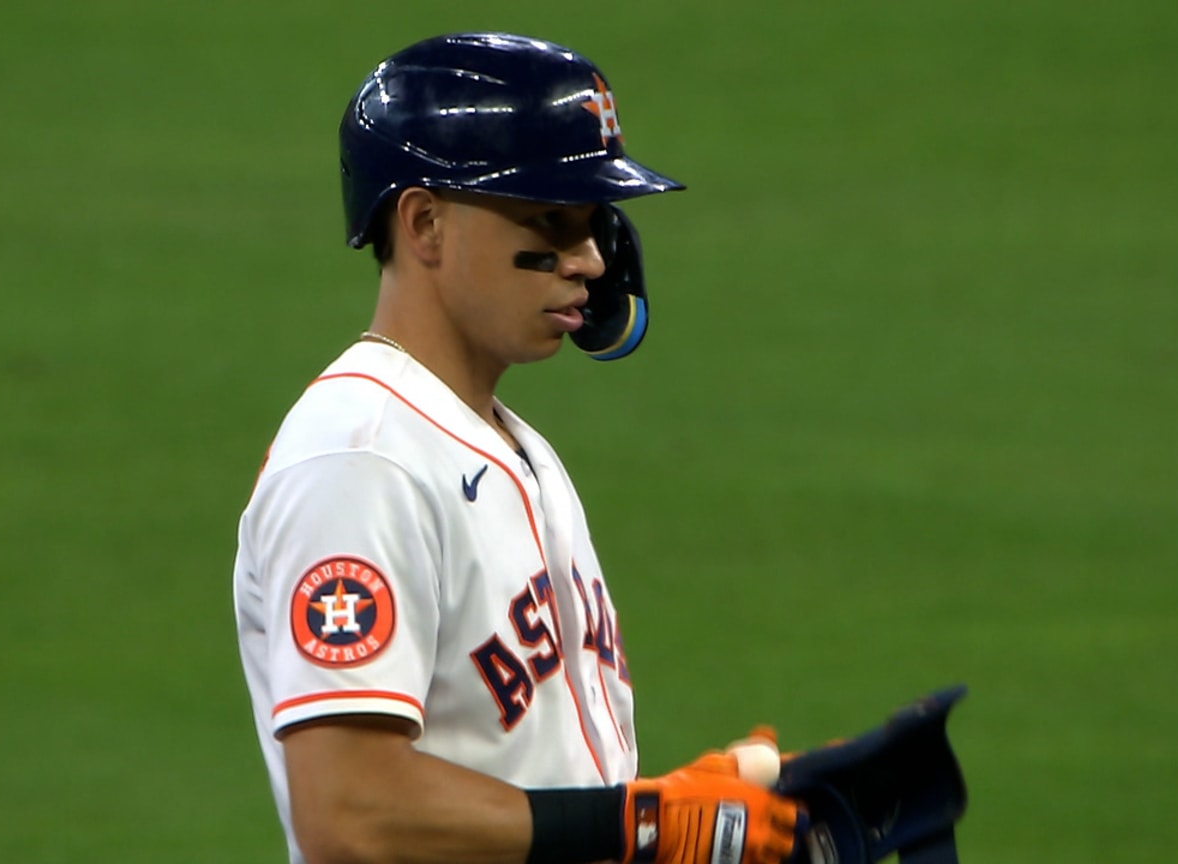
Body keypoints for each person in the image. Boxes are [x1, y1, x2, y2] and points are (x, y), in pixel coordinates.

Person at [233, 32, 804, 864]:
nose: (592, 259)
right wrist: (643, 825)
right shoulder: (361, 460)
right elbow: (348, 811)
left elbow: (524, 778)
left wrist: (701, 802)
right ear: (425, 223)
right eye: (551, 220)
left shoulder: (509, 445)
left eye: (595, 222)